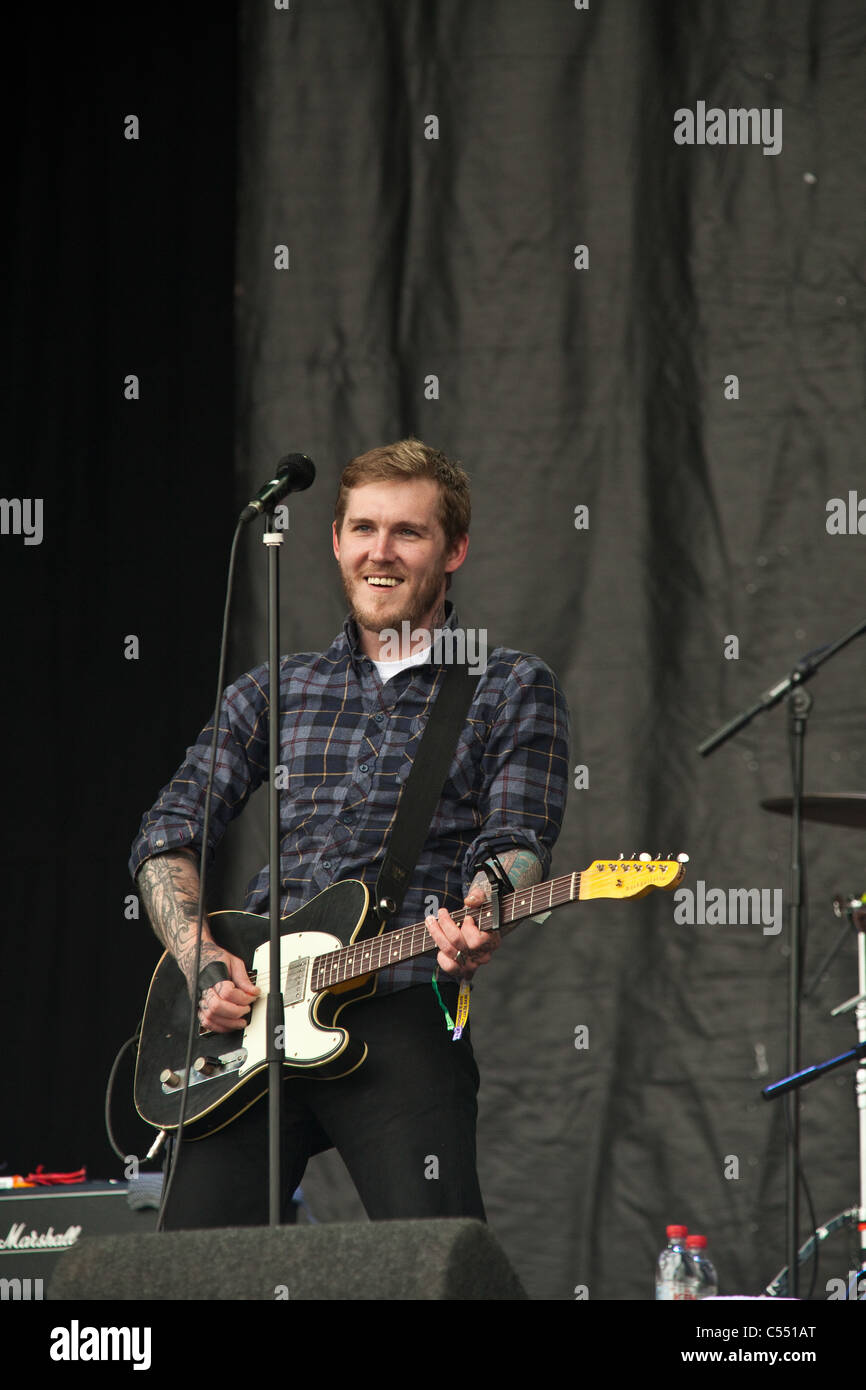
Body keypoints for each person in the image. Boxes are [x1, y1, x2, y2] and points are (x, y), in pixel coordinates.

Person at [130, 438, 569, 1228]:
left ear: (455, 549)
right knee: (190, 1270)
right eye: (363, 528)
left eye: (409, 532)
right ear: (334, 540)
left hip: (402, 999)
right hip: (253, 1019)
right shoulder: (277, 685)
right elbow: (168, 831)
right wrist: (202, 962)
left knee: (436, 1263)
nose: (382, 551)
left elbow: (516, 840)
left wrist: (484, 910)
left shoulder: (508, 685)